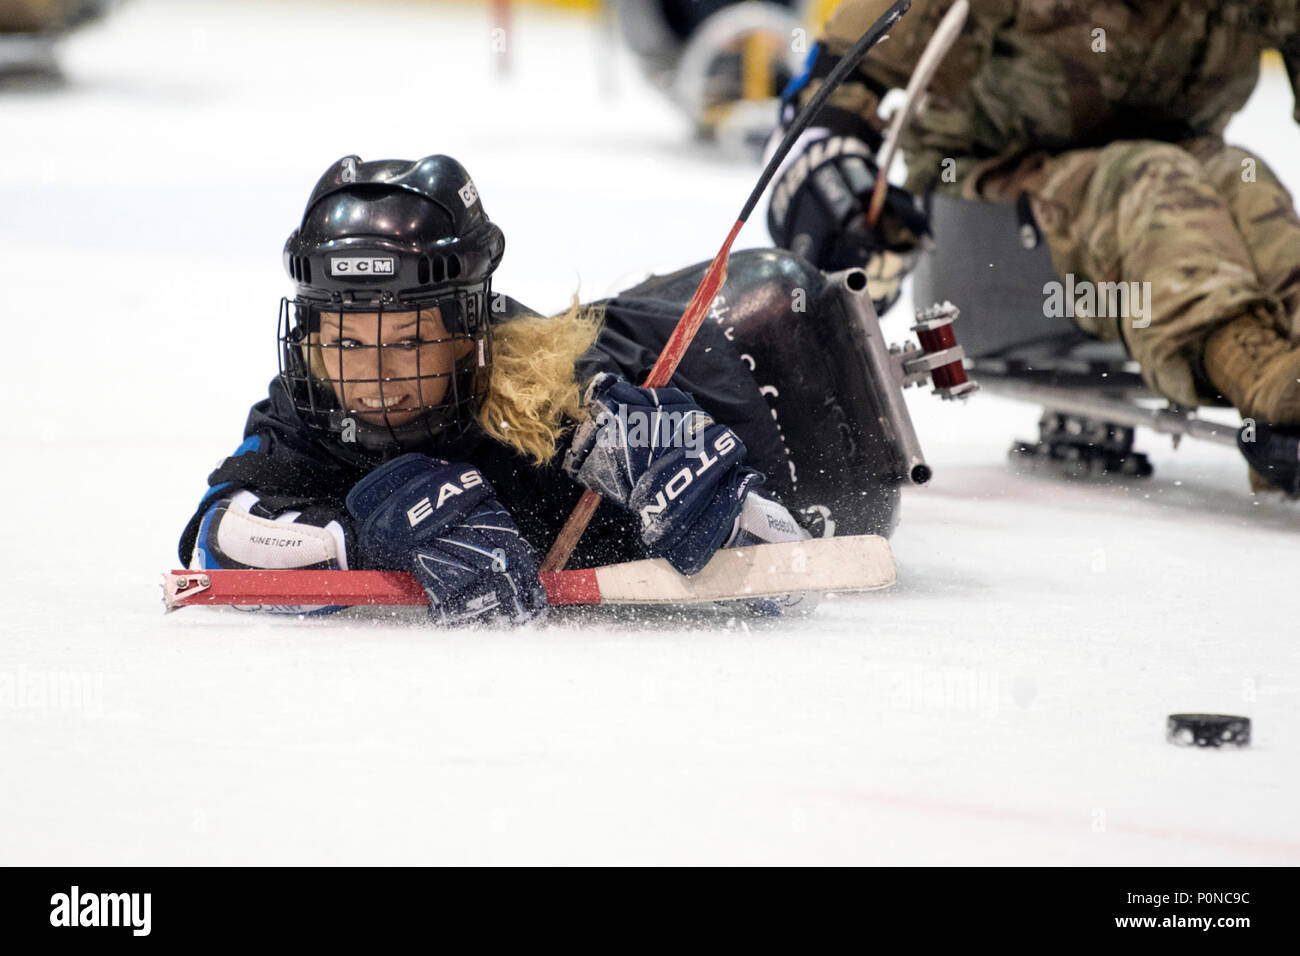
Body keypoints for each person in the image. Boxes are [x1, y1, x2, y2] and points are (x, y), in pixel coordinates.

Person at [178, 154, 906, 626]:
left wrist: (716, 504)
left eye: (408, 341)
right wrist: (361, 540)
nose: (374, 377)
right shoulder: (311, 400)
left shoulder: (550, 398)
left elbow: (792, 564)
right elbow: (218, 535)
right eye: (346, 342)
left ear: (468, 331)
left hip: (778, 390)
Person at [767, 0, 1300, 493]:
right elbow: (833, 86)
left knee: (1246, 185)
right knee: (1150, 177)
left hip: (1180, 181)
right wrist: (840, 189)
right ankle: (1258, 371)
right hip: (994, 209)